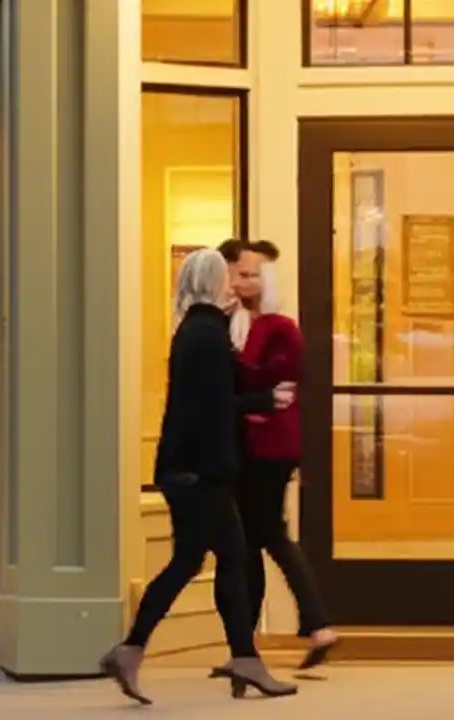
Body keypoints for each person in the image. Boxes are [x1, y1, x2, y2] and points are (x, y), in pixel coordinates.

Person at [99, 249, 298, 705]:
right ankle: (239, 657)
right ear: (213, 282)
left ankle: (136, 650)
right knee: (230, 556)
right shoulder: (208, 335)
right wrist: (264, 400)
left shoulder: (194, 329)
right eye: (226, 277)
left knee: (193, 560)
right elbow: (214, 407)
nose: (233, 284)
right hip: (201, 471)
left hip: (185, 467)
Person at [212, 239, 338, 675]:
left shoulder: (277, 327)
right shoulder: (239, 323)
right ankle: (248, 646)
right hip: (247, 444)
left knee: (267, 534)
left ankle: (315, 624)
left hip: (269, 447)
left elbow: (270, 383)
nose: (244, 283)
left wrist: (230, 362)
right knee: (251, 542)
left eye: (252, 275)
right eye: (239, 274)